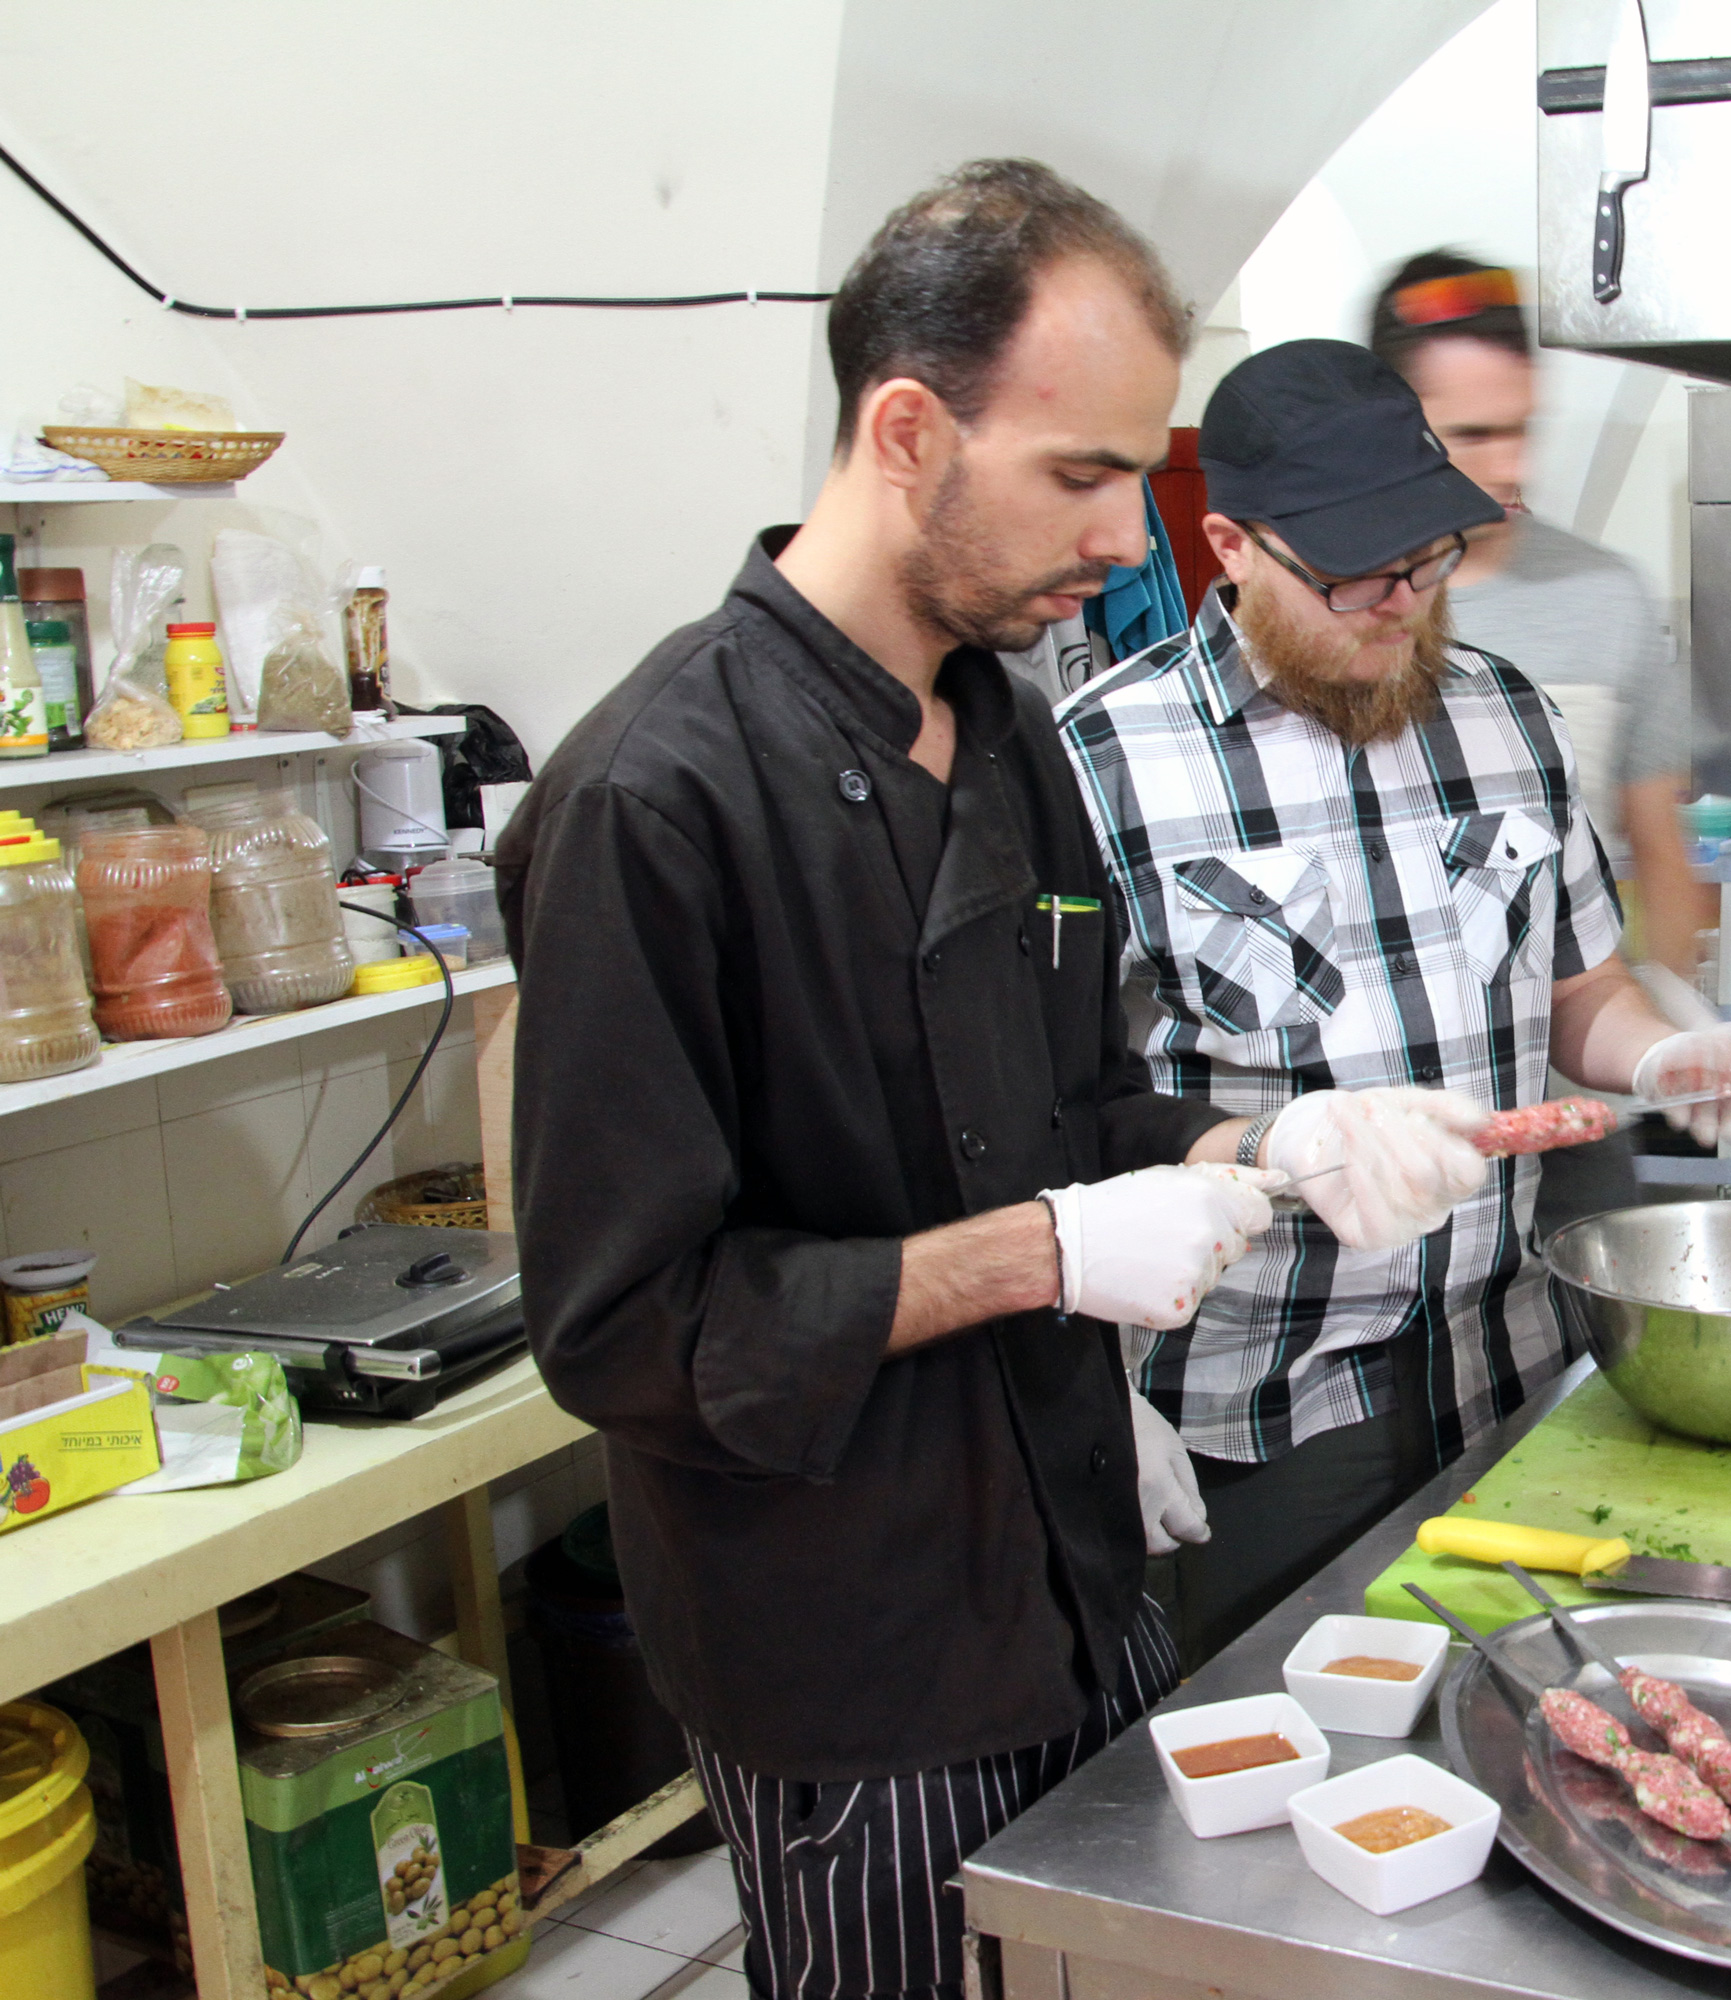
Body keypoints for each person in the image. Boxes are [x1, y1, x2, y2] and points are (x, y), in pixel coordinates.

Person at [494, 163, 1479, 2000]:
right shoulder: (655, 800)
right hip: (854, 1648)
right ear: (907, 432)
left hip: (1080, 1561)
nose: (1127, 536)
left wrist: (1269, 1138)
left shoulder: (1011, 732)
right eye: (1083, 474)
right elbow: (624, 1331)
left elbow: (1076, 1108)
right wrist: (1042, 1255)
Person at [1055, 338, 1731, 1666]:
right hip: (1263, 1413)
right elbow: (1058, 1114)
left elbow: (1582, 990)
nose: (1402, 602)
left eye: (1430, 559)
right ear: (1231, 546)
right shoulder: (1103, 762)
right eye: (1356, 573)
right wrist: (1089, 1392)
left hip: (1509, 1361)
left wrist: (1663, 1054)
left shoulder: (1506, 718)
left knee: (1527, 1715)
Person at [1370, 251, 1717, 1234]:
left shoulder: (1605, 597)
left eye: (1523, 428)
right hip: (1385, 1131)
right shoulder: (1343, 618)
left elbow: (1660, 849)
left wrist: (1668, 1035)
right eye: (1472, 435)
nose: (1510, 467)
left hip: (1566, 1107)